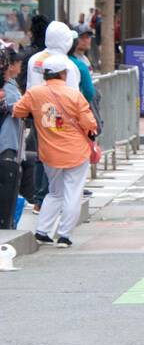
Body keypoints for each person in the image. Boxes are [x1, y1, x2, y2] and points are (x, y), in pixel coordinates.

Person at [10, 53, 98, 247]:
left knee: (54, 192)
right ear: (63, 74)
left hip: (49, 152)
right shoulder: (74, 95)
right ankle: (64, 235)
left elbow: (18, 110)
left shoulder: (34, 94)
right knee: (73, 192)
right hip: (75, 151)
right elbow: (90, 123)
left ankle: (42, 231)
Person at [0, 48, 25, 229]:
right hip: (6, 141)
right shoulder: (7, 88)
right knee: (8, 180)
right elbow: (16, 108)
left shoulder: (10, 85)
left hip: (8, 139)